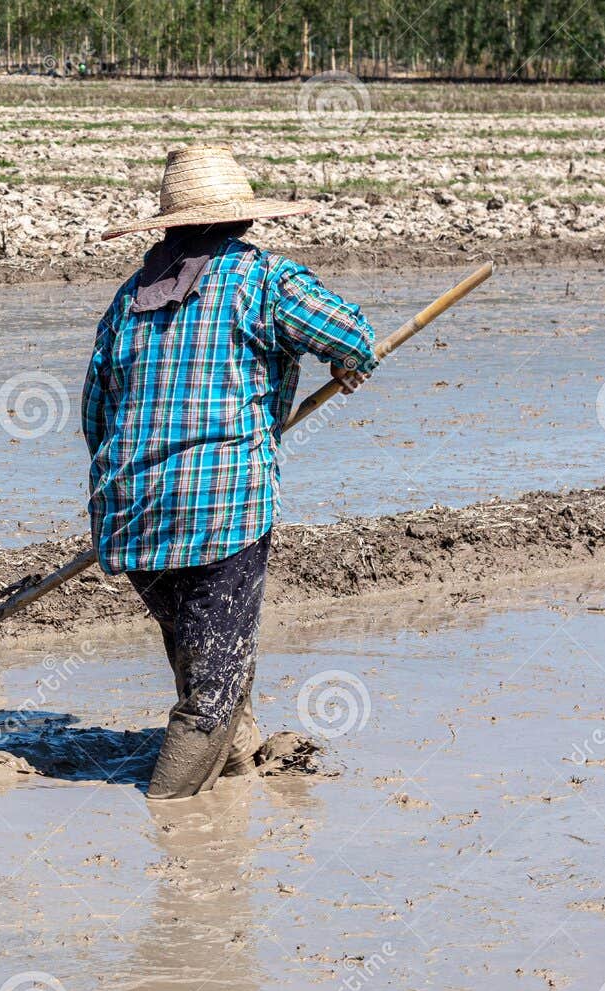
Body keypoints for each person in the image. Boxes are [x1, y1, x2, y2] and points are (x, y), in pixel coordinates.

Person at [82, 145, 375, 801]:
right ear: (241, 220)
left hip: (131, 516)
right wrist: (340, 363)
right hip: (223, 512)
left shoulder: (130, 297)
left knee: (202, 649)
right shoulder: (265, 281)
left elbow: (95, 414)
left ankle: (239, 770)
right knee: (208, 697)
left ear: (170, 228)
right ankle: (169, 815)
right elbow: (356, 336)